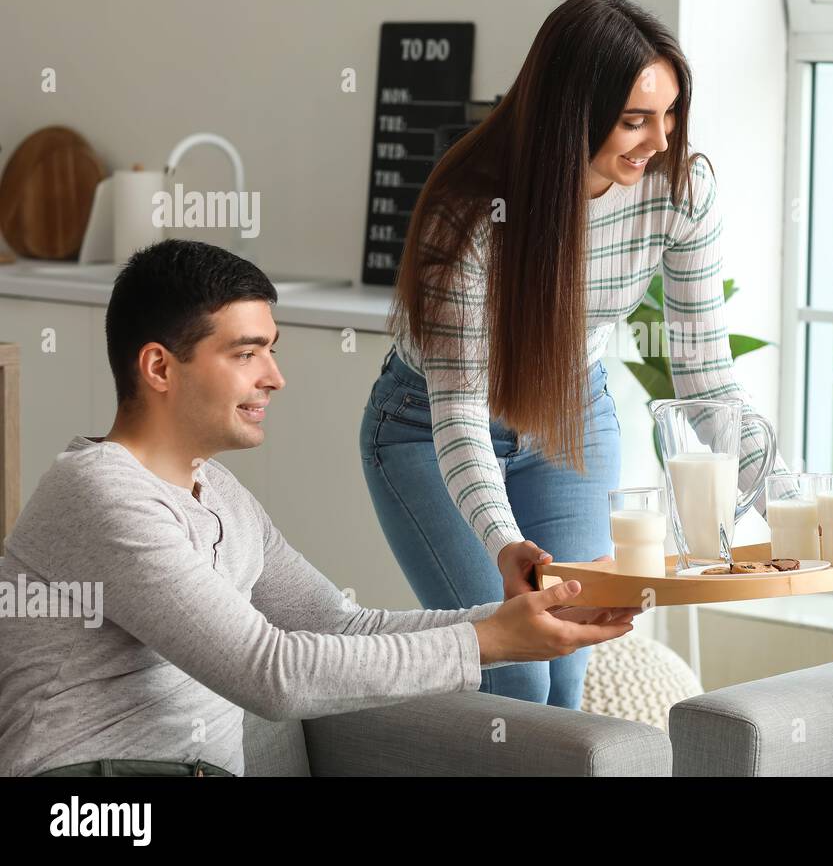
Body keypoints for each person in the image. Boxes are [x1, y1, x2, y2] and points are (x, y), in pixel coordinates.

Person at [0, 240, 635, 778]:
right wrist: (489, 642)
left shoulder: (221, 497)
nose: (274, 377)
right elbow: (268, 673)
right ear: (159, 367)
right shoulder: (100, 494)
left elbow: (341, 626)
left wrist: (514, 617)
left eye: (271, 350)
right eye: (246, 353)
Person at [361, 0, 807, 710]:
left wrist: (790, 495)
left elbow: (707, 380)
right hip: (426, 426)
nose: (660, 141)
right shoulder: (471, 212)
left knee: (568, 659)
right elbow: (460, 408)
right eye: (635, 120)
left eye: (669, 116)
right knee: (516, 666)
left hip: (570, 415)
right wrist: (505, 542)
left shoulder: (680, 189)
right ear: (574, 115)